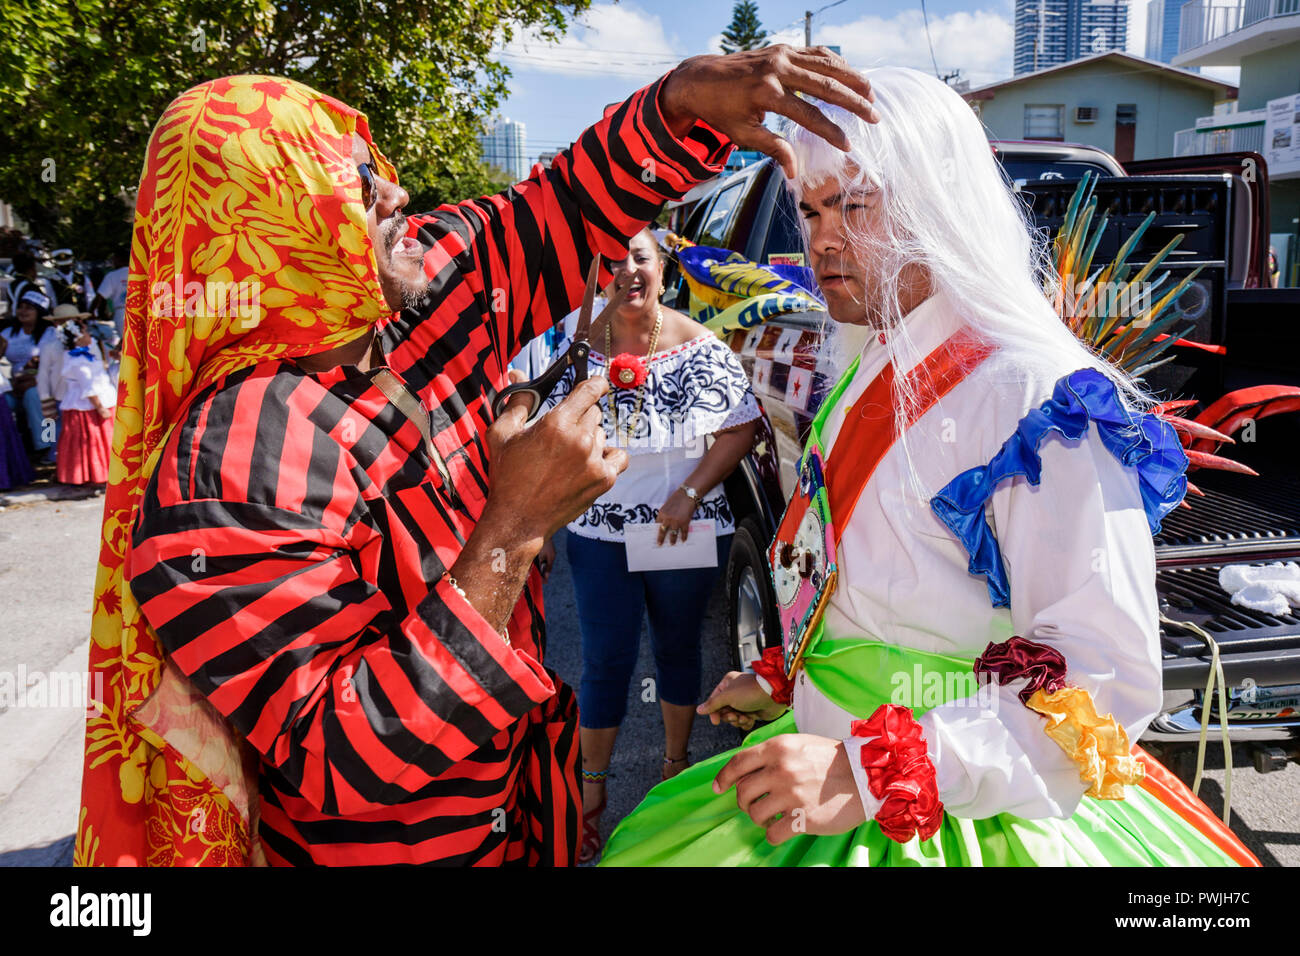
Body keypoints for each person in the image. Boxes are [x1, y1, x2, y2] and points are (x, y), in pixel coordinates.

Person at [76, 50, 880, 866]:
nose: (397, 193)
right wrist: (516, 525)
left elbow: (560, 207)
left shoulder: (422, 297)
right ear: (272, 217)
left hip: (527, 818)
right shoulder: (221, 474)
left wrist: (680, 104)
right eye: (358, 182)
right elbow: (348, 757)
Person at [600, 67, 1258, 867]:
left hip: (954, 822)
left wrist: (866, 772)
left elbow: (1105, 675)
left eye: (854, 205)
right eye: (810, 210)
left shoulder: (1035, 397)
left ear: (936, 203)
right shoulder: (875, 356)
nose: (822, 239)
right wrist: (790, 682)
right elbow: (882, 590)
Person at [537, 227, 760, 862]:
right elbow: (548, 441)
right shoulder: (577, 346)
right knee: (605, 660)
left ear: (662, 268)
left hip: (679, 530)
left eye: (640, 258)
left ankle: (671, 771)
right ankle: (592, 797)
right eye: (612, 261)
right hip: (599, 533)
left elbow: (739, 427)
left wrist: (689, 492)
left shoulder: (699, 346)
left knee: (676, 648)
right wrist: (544, 525)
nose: (628, 271)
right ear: (595, 275)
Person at [53, 320, 115, 488]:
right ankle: (91, 474)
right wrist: (100, 407)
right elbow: (88, 386)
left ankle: (102, 473)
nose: (89, 336)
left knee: (100, 439)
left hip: (99, 400)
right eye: (86, 333)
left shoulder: (83, 355)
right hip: (87, 407)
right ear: (78, 338)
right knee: (90, 439)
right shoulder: (78, 361)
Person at [0, 288, 57, 464]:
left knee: (34, 397)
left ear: (39, 312)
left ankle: (47, 446)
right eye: (21, 307)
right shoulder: (8, 333)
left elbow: (53, 364)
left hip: (44, 383)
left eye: (29, 308)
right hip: (16, 384)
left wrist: (33, 381)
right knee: (5, 403)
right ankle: (13, 449)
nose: (23, 311)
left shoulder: (50, 333)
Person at [50, 248, 95, 312]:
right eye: (63, 265)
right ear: (57, 265)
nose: (66, 267)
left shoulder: (82, 277)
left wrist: (92, 312)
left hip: (82, 315)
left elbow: (90, 296)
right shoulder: (52, 280)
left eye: (67, 265)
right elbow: (52, 300)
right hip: (64, 316)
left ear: (71, 263)